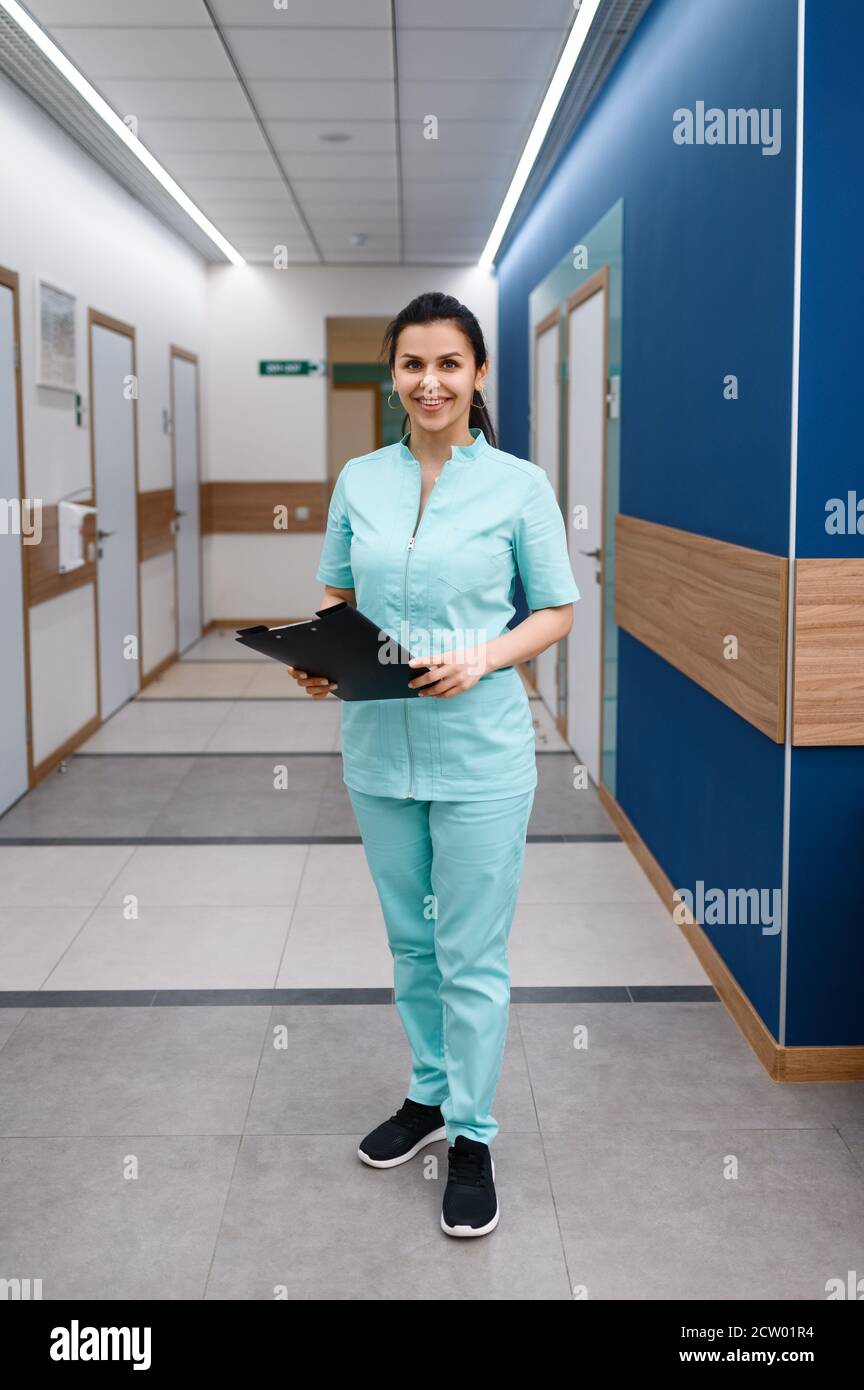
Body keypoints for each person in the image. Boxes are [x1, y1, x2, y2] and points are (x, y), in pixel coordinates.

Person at [286, 291, 580, 1237]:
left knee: (471, 954)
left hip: (484, 755)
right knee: (412, 946)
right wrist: (319, 660)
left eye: (449, 363)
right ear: (394, 376)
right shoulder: (359, 480)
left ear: (478, 374)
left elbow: (557, 609)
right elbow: (338, 593)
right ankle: (426, 1096)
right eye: (412, 364)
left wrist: (485, 654)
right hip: (378, 752)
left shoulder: (520, 487)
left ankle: (475, 1135)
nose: (430, 382)